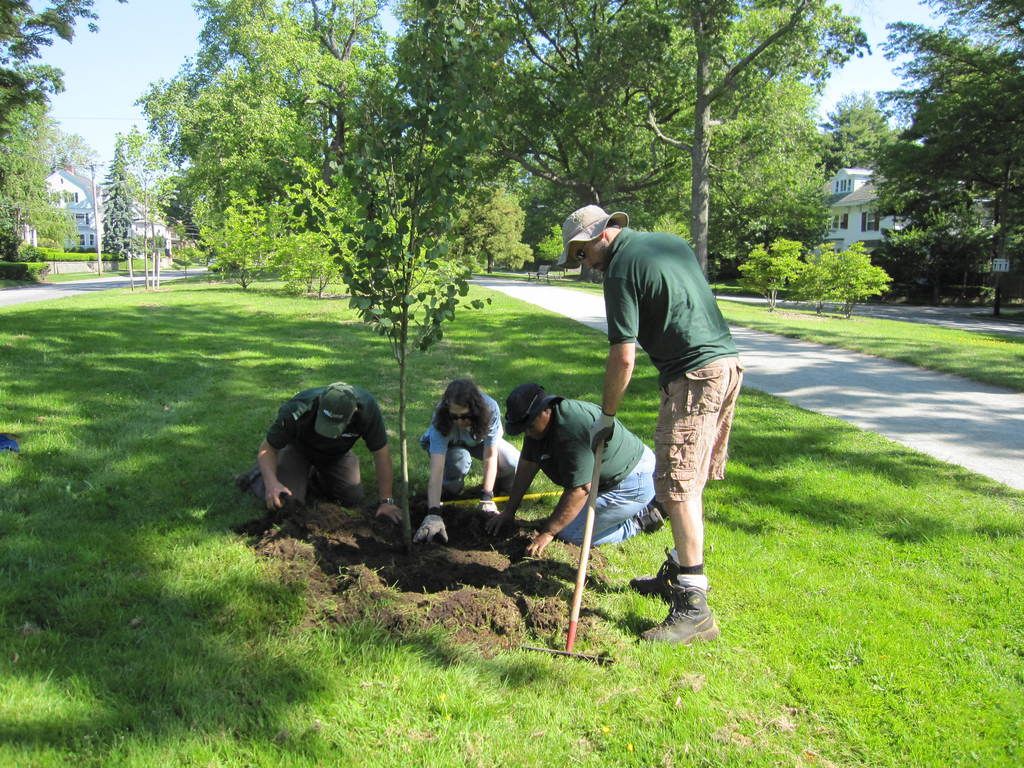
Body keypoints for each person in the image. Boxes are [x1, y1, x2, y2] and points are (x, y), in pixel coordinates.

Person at [559, 204, 743, 644]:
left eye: (583, 254)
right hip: (725, 364)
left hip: (694, 375)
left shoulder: (620, 270)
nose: (586, 266)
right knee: (681, 480)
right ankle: (681, 571)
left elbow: (623, 355)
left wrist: (606, 416)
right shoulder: (667, 241)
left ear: (603, 235)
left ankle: (693, 607)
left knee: (678, 486)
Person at [484, 383, 664, 555]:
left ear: (546, 410)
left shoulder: (571, 429)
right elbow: (527, 466)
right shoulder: (537, 428)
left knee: (571, 534)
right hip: (604, 480)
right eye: (523, 429)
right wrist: (509, 512)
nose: (527, 433)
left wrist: (548, 532)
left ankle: (641, 520)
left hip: (631, 480)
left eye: (529, 426)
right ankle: (628, 510)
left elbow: (581, 489)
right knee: (565, 520)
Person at [237, 382, 402, 524]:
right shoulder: (298, 408)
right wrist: (272, 484)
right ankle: (260, 475)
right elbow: (268, 448)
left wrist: (386, 501)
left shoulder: (367, 409)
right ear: (321, 401)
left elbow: (381, 454)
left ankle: (312, 476)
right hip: (298, 450)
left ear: (353, 413)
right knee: (287, 502)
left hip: (337, 455)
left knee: (352, 498)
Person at [414, 378, 520, 544]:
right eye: (454, 416)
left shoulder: (490, 409)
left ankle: (496, 487)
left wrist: (487, 497)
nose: (459, 421)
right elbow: (437, 468)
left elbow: (490, 455)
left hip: (477, 441)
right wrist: (433, 513)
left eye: (464, 416)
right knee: (460, 460)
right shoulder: (442, 419)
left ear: (475, 410)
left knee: (513, 461)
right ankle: (448, 491)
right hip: (452, 446)